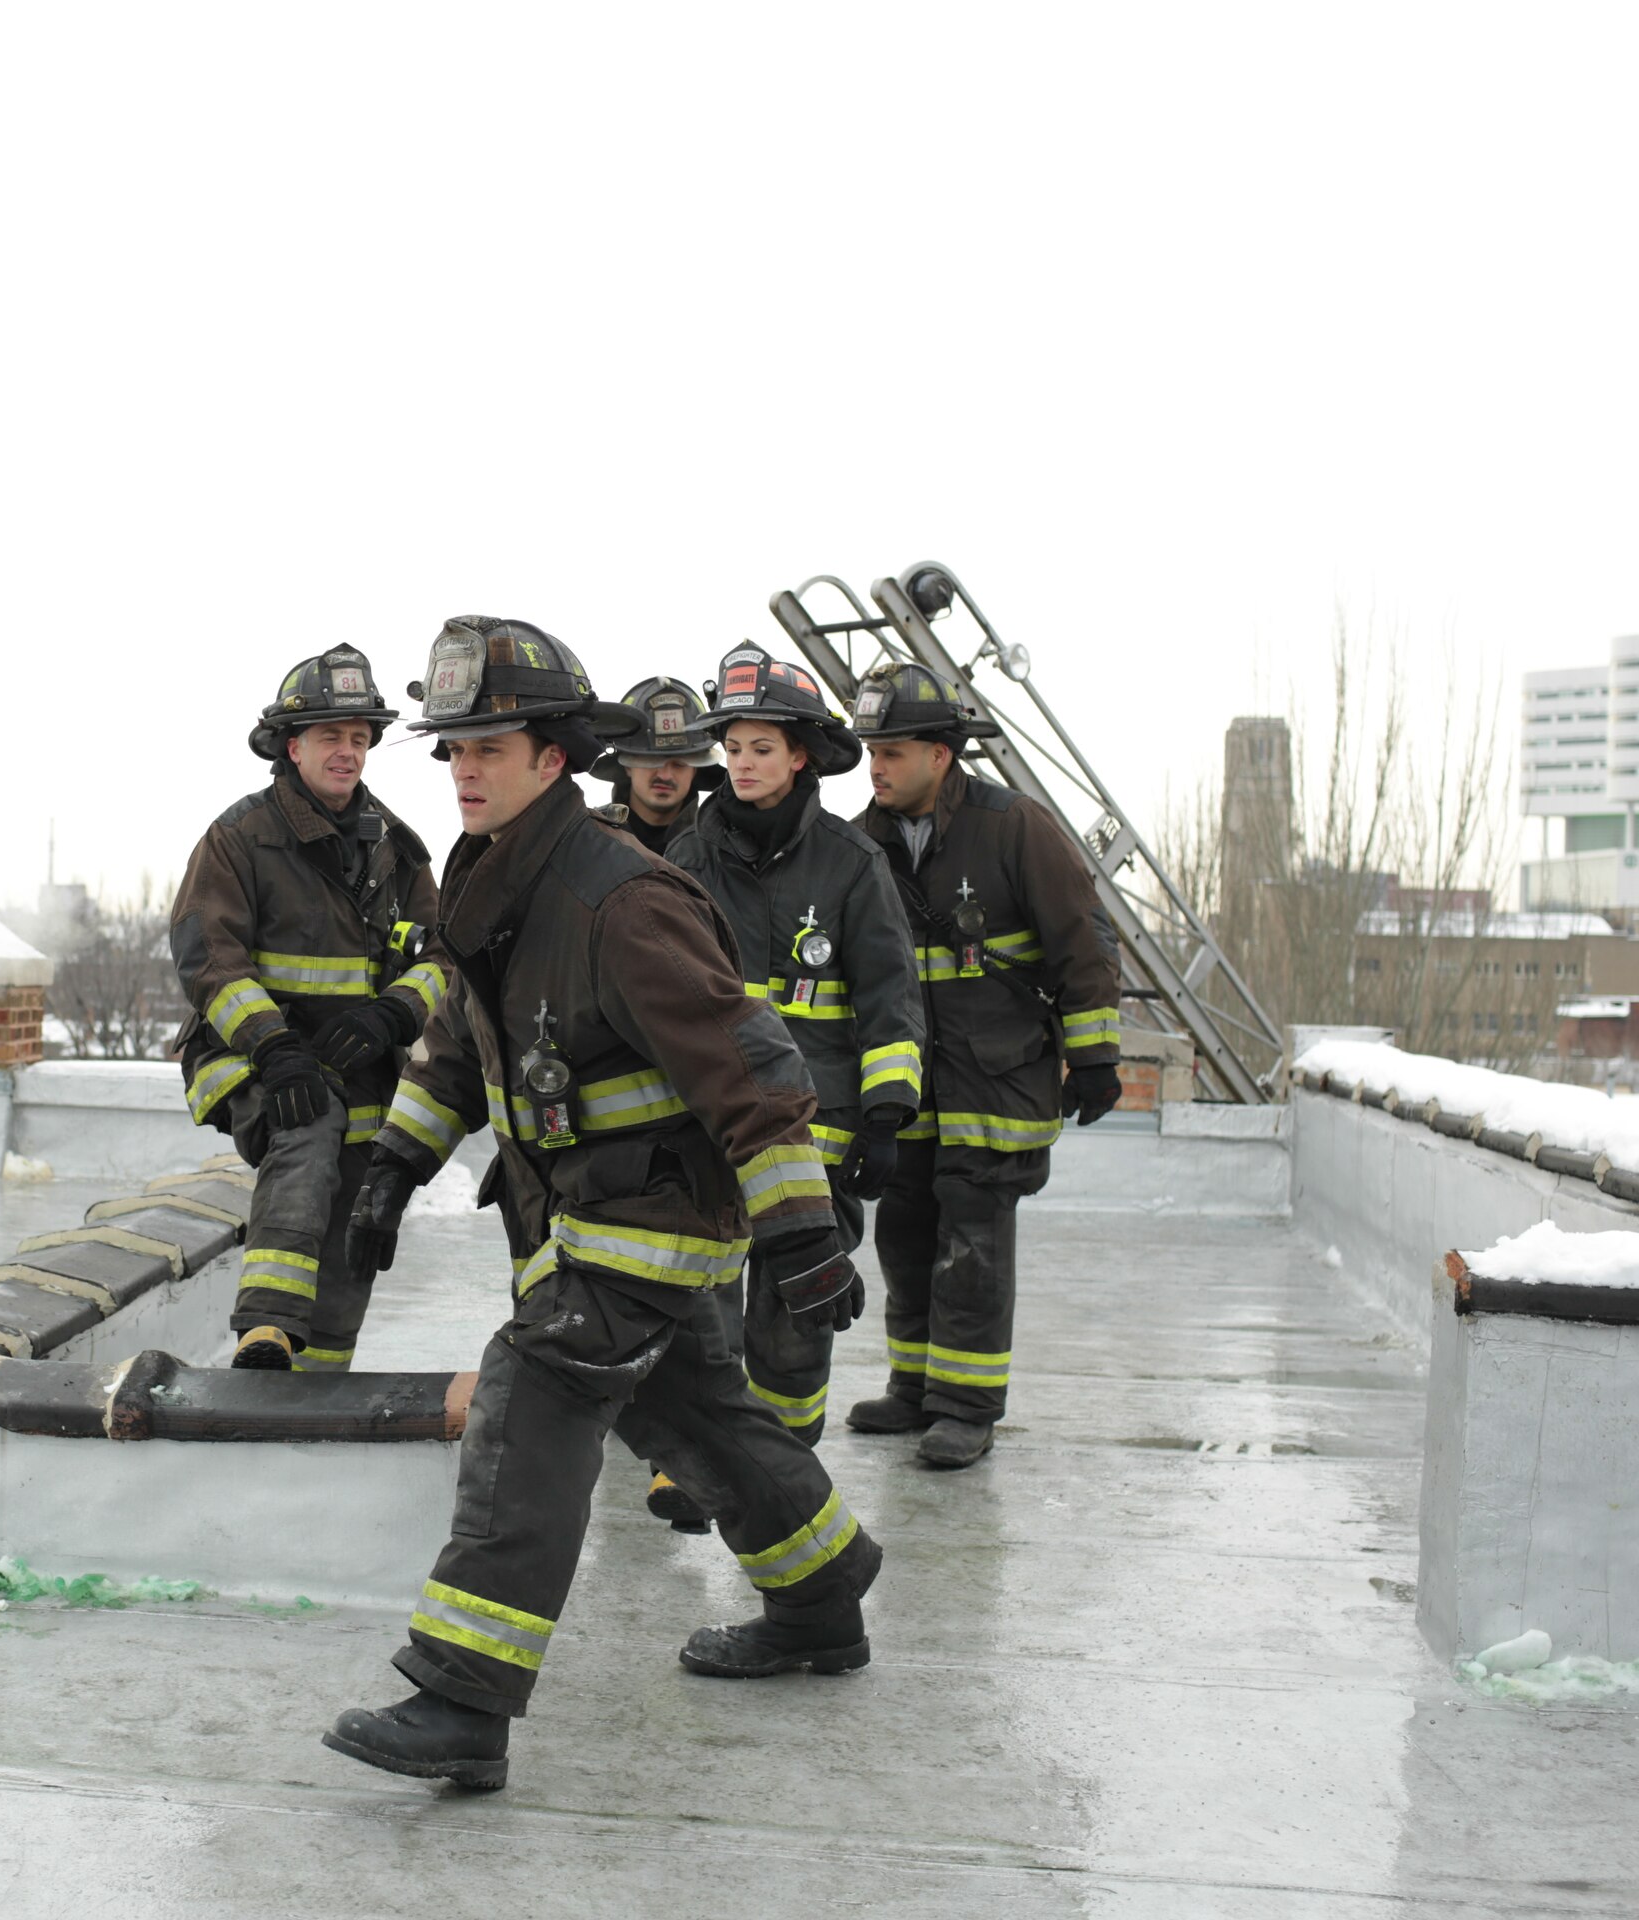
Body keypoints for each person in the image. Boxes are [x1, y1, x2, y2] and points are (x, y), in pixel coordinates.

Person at [322, 618, 884, 1791]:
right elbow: (460, 1051)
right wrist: (392, 1167)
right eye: (455, 748)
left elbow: (752, 1066)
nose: (466, 768)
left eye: (494, 745)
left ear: (554, 758)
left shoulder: (620, 901)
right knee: (697, 1415)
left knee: (532, 1400)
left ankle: (462, 1698)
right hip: (576, 1211)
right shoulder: (493, 882)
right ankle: (823, 1596)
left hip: (652, 1216)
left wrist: (801, 1229)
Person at [647, 643, 921, 1528]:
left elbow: (889, 997)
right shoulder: (688, 857)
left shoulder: (849, 864)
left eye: (761, 748)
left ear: (799, 755)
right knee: (709, 1311)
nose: (743, 764)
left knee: (795, 1326)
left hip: (822, 1141)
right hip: (715, 1131)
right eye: (732, 748)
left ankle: (784, 1476)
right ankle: (705, 1470)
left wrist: (887, 1113)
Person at [840, 659, 1122, 1468]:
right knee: (906, 1232)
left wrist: (1096, 1056)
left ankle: (967, 1408)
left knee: (973, 1243)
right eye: (871, 751)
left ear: (942, 756)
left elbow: (1082, 941)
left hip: (997, 1079)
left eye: (892, 752)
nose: (877, 767)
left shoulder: (1014, 827)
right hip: (912, 1086)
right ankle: (915, 1387)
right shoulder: (864, 844)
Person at [168, 645, 445, 1374]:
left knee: (362, 1190)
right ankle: (266, 1330)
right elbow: (208, 958)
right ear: (293, 746)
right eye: (332, 736)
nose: (348, 751)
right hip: (254, 1056)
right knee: (307, 1120)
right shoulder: (240, 839)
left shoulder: (396, 849)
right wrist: (275, 1047)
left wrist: (392, 1016)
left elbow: (444, 958)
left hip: (360, 1065)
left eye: (360, 738)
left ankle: (323, 1377)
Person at [586, 676, 721, 857]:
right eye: (651, 761)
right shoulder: (590, 840)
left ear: (695, 770)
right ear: (627, 765)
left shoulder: (720, 850)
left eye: (679, 764)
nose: (665, 775)